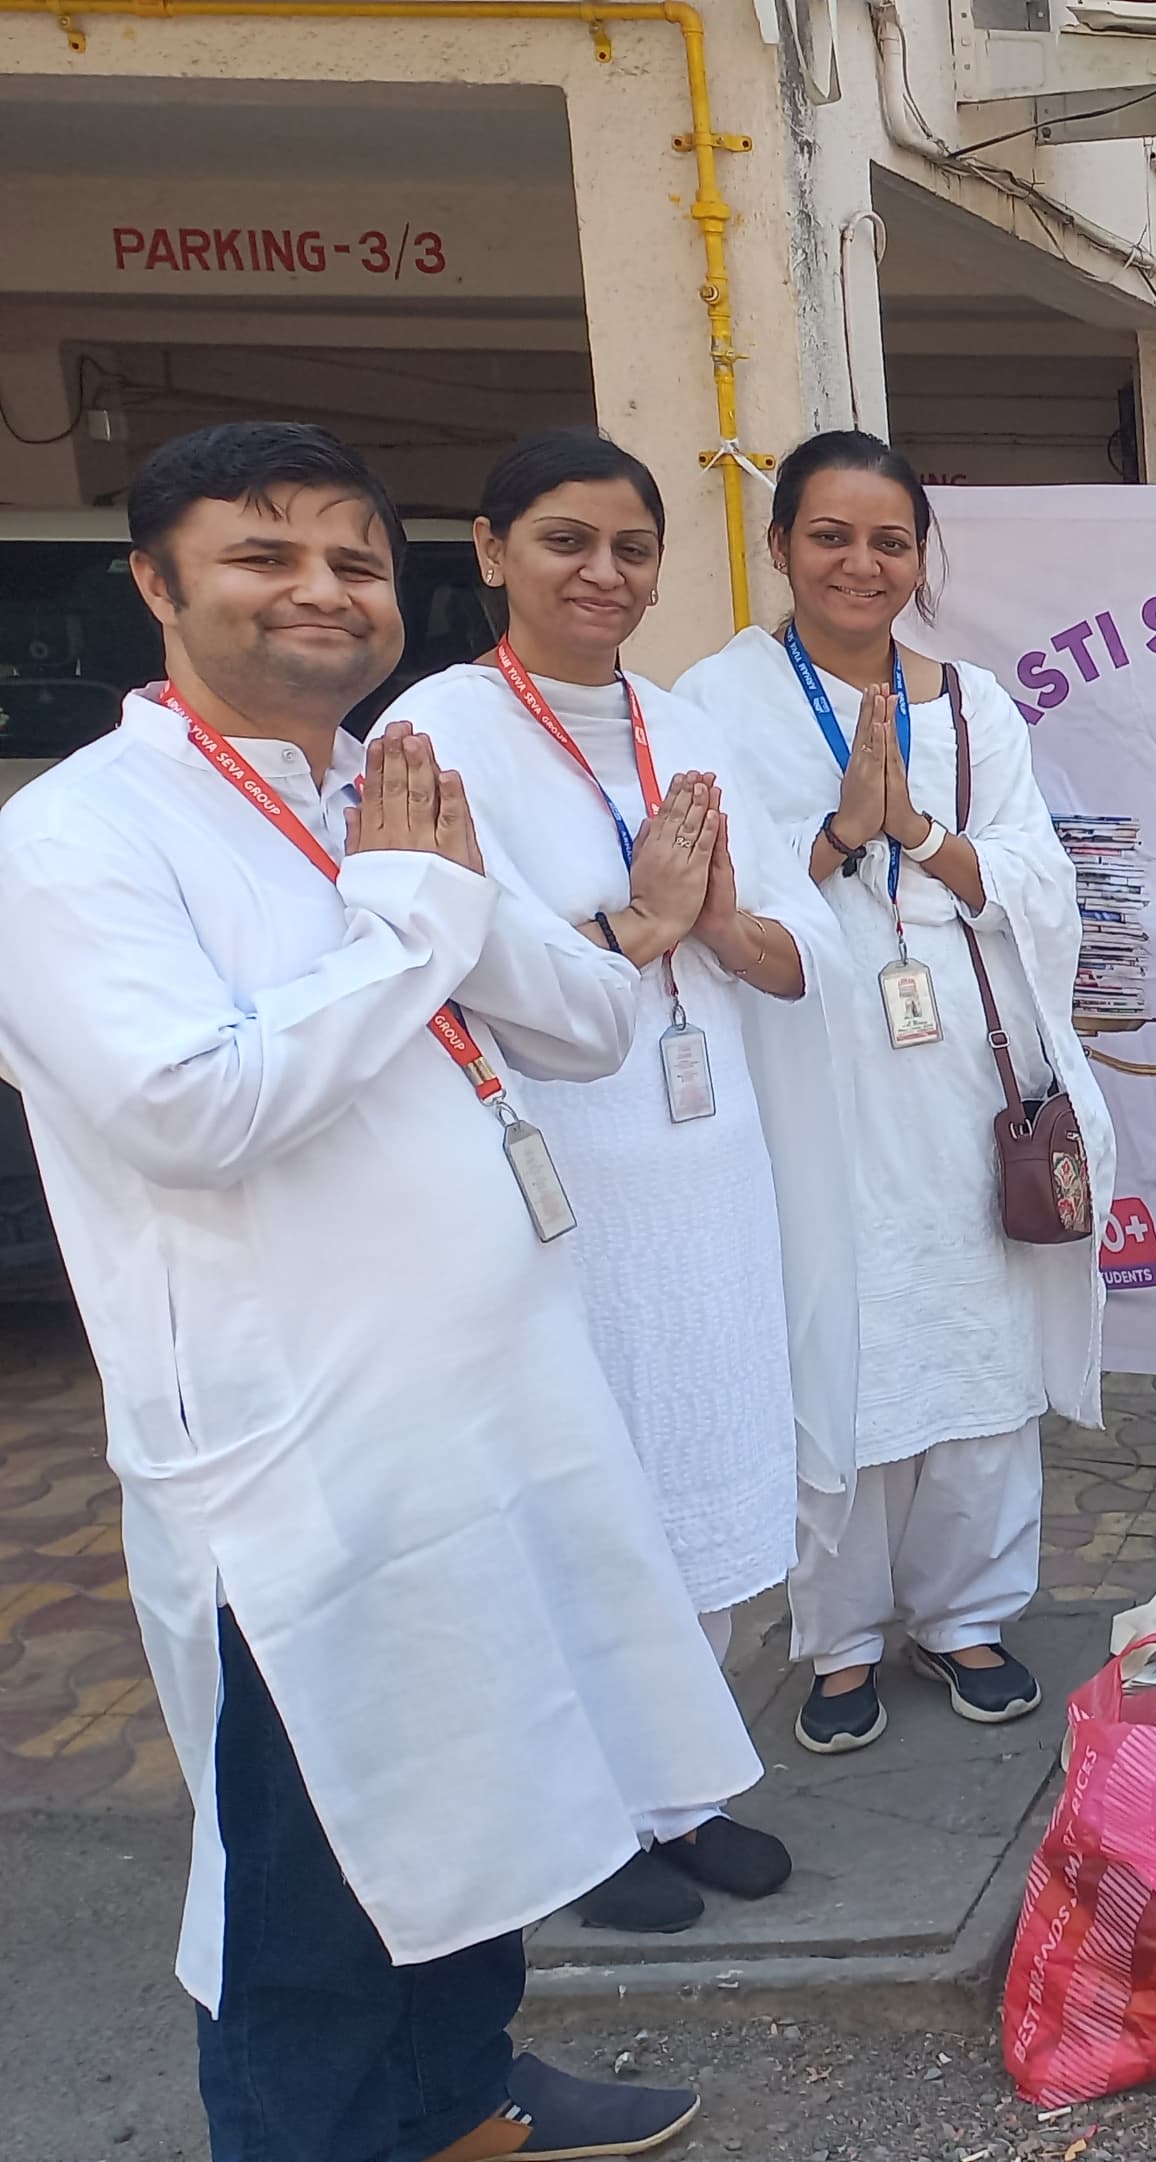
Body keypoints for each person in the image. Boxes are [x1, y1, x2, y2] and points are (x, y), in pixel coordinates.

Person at [0, 422, 752, 2158]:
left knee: (480, 1790)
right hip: (299, 1459)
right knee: (319, 1867)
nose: (321, 589)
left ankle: (458, 2093)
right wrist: (410, 913)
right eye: (264, 555)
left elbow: (586, 1021)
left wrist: (441, 893)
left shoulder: (367, 795)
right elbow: (195, 1108)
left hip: (490, 1410)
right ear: (155, 583)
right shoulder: (80, 837)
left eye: (349, 558)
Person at [378, 429, 857, 1931]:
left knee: (711, 1473)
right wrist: (636, 927)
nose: (604, 573)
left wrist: (707, 925)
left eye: (631, 549)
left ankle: (681, 1788)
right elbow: (458, 970)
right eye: (567, 541)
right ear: (491, 549)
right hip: (558, 1176)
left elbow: (802, 951)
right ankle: (590, 1821)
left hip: (708, 1175)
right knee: (587, 1493)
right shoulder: (435, 737)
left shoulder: (673, 723)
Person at [677, 429, 1111, 1754]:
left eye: (888, 538)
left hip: (963, 1077)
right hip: (815, 1069)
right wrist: (838, 833)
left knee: (979, 1347)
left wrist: (917, 829)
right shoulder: (720, 700)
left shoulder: (977, 704)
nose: (860, 562)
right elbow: (712, 900)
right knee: (838, 1343)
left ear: (921, 555)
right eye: (830, 534)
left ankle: (969, 1614)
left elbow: (1045, 883)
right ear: (780, 547)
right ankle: (842, 1637)